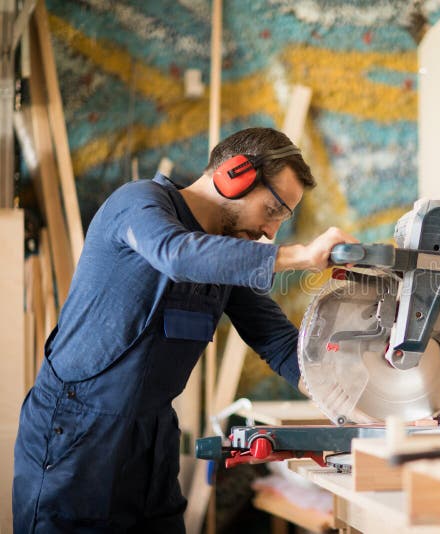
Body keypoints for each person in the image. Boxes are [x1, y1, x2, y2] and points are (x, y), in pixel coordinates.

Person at [13, 127, 357, 533]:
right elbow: (176, 254)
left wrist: (360, 408)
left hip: (151, 438)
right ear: (235, 174)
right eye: (273, 210)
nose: (271, 233)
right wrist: (300, 256)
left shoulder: (225, 258)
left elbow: (281, 345)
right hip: (76, 432)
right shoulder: (139, 203)